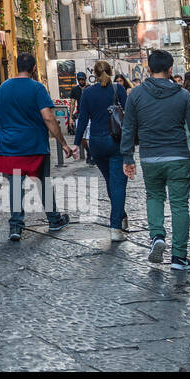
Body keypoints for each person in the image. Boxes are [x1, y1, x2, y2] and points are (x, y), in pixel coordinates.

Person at [120, 50, 190, 271]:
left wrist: (127, 157)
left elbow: (128, 128)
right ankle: (179, 257)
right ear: (170, 70)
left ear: (148, 69)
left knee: (154, 196)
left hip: (150, 157)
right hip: (178, 156)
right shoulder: (183, 95)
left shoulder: (136, 95)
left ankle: (157, 236)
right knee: (179, 205)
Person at [0, 52, 77, 242]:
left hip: (9, 146)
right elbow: (48, 117)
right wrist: (63, 143)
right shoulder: (37, 88)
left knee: (15, 186)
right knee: (43, 183)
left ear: (17, 67)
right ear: (33, 69)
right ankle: (54, 220)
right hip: (34, 146)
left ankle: (16, 226)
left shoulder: (4, 87)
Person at [74, 60, 129, 242]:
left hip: (96, 143)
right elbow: (129, 114)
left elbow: (82, 120)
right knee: (118, 183)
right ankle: (116, 226)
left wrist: (76, 144)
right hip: (116, 140)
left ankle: (120, 215)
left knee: (110, 181)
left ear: (94, 74)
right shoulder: (118, 89)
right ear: (111, 72)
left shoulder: (88, 93)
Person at [70, 72, 89, 163]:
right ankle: (89, 152)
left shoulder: (89, 88)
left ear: (85, 79)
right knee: (81, 137)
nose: (81, 81)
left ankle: (92, 155)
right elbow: (72, 103)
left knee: (92, 137)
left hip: (90, 115)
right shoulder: (75, 89)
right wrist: (70, 117)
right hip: (80, 114)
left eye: (82, 79)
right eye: (79, 79)